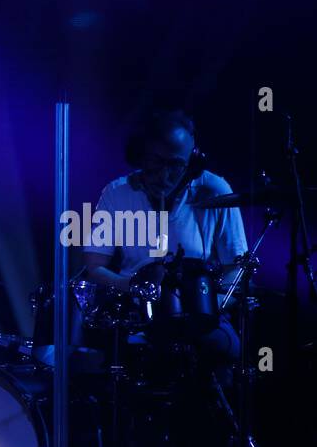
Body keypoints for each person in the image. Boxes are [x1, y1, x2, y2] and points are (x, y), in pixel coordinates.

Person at [83, 109, 248, 372]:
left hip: (199, 312)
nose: (164, 175)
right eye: (155, 162)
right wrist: (136, 288)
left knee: (226, 351)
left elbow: (237, 267)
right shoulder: (117, 193)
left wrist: (210, 305)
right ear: (139, 156)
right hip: (135, 313)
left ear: (192, 162)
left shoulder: (215, 190)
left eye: (175, 165)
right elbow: (94, 267)